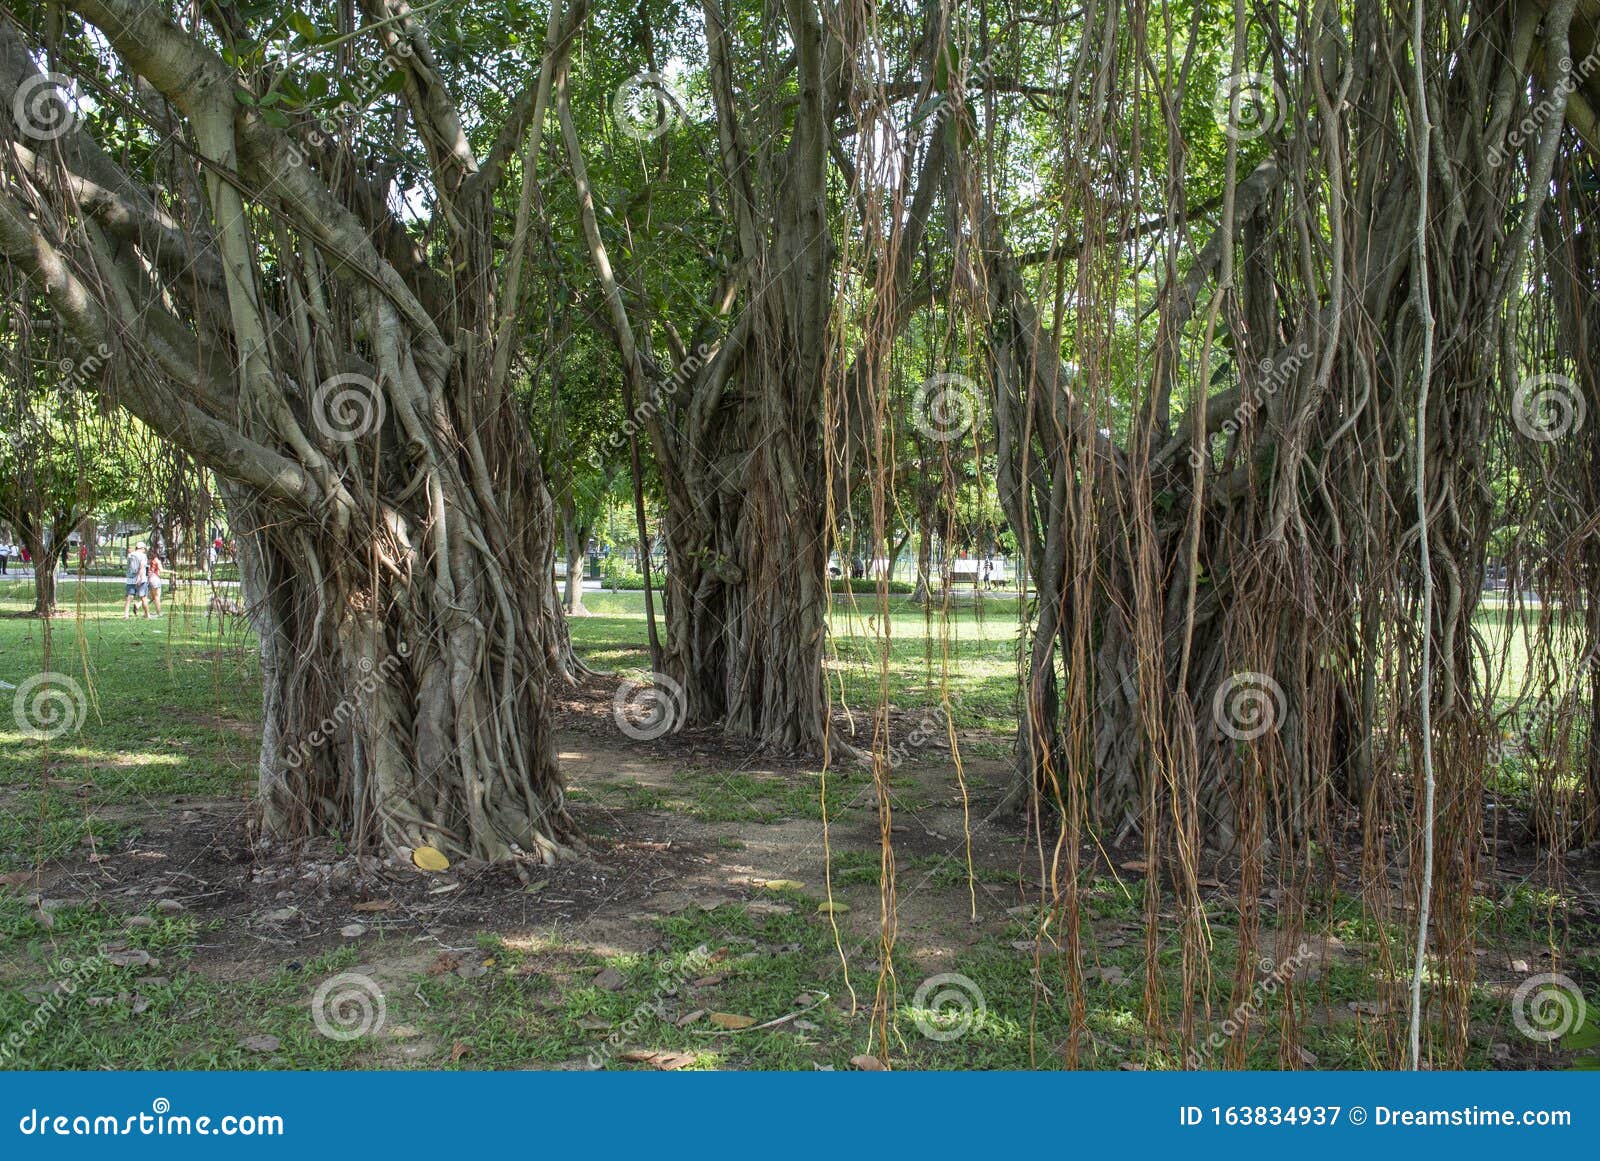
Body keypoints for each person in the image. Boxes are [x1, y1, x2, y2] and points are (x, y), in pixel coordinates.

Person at [123, 542, 150, 619]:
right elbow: (142, 567)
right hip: (141, 579)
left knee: (129, 597)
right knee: (143, 597)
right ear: (142, 548)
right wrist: (139, 577)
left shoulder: (130, 555)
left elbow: (128, 567)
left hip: (130, 579)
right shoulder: (143, 556)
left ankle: (126, 615)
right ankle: (147, 615)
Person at [147, 551, 164, 616]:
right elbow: (161, 570)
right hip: (156, 579)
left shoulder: (149, 561)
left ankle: (138, 605)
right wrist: (171, 572)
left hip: (150, 578)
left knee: (151, 596)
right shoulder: (157, 561)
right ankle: (159, 612)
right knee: (157, 597)